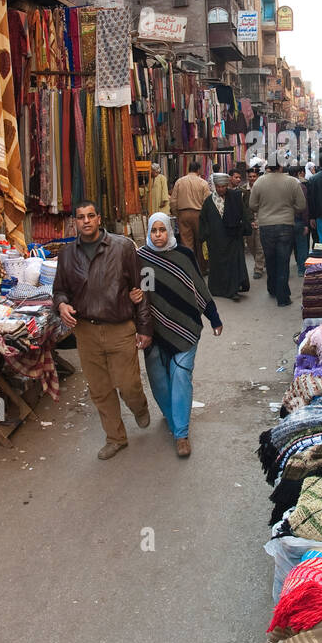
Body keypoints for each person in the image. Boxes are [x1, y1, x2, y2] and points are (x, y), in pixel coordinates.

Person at [54, 198, 154, 461]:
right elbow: (59, 290)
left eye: (90, 215)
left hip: (120, 328)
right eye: (80, 217)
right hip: (86, 332)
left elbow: (141, 289)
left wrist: (144, 327)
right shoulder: (66, 255)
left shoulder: (122, 247)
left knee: (128, 383)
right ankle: (115, 437)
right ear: (74, 222)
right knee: (100, 389)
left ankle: (139, 406)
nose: (85, 221)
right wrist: (62, 304)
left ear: (99, 218)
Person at [133, 213, 222, 458]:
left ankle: (181, 434)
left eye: (163, 230)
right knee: (159, 380)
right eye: (154, 231)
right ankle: (174, 418)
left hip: (185, 327)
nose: (159, 235)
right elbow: (144, 290)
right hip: (153, 329)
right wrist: (135, 301)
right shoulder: (142, 258)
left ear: (170, 231)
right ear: (149, 233)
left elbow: (198, 287)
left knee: (181, 376)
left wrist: (213, 317)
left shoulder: (184, 255)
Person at [248, 157, 306, 306]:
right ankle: (283, 297)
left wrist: (265, 208)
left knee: (270, 258)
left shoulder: (259, 182)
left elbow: (252, 205)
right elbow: (301, 205)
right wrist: (289, 208)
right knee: (283, 260)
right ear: (281, 166)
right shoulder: (292, 182)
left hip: (266, 225)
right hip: (286, 225)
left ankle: (272, 288)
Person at [199, 171, 251, 301]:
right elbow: (203, 220)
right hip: (216, 240)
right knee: (219, 265)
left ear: (227, 185)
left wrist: (245, 228)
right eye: (218, 186)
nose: (221, 189)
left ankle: (233, 290)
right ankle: (220, 289)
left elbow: (243, 214)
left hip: (233, 237)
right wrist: (205, 236)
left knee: (233, 264)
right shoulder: (209, 201)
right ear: (215, 186)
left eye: (223, 186)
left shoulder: (235, 196)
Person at [170, 160, 211, 270]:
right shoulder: (203, 183)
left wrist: (176, 214)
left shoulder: (179, 181)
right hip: (199, 215)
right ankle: (202, 267)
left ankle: (189, 268)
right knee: (201, 241)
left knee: (186, 242)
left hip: (183, 214)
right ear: (198, 170)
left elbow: (173, 201)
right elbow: (207, 202)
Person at [243, 164, 266, 279]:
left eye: (254, 176)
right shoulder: (243, 190)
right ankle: (261, 261)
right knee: (251, 245)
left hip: (261, 219)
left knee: (260, 246)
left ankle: (258, 268)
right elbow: (243, 207)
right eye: (250, 176)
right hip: (248, 221)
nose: (252, 178)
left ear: (257, 177)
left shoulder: (262, 188)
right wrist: (249, 220)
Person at [288, 164, 310, 276]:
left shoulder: (284, 187)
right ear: (298, 173)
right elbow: (304, 207)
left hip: (286, 220)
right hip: (298, 220)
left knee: (286, 247)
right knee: (302, 246)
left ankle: (284, 270)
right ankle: (302, 270)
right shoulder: (301, 187)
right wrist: (306, 224)